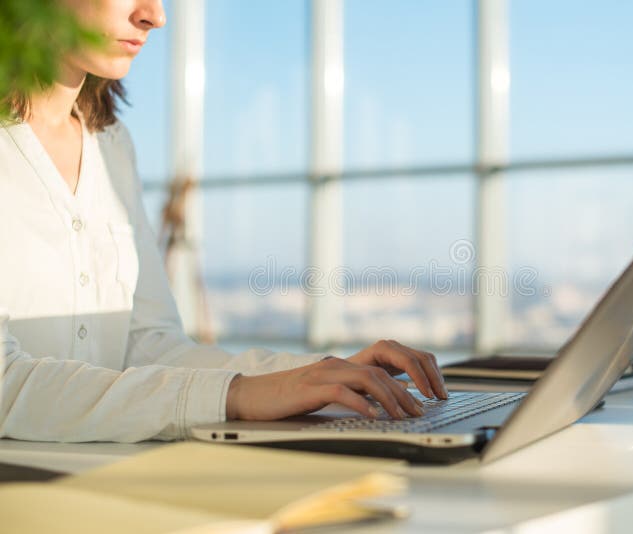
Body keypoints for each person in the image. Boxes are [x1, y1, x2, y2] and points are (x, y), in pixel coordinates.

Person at [0, 0, 447, 443]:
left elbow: (149, 348)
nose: (155, 16)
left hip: (101, 476)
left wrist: (319, 376)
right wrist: (236, 395)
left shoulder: (111, 143)